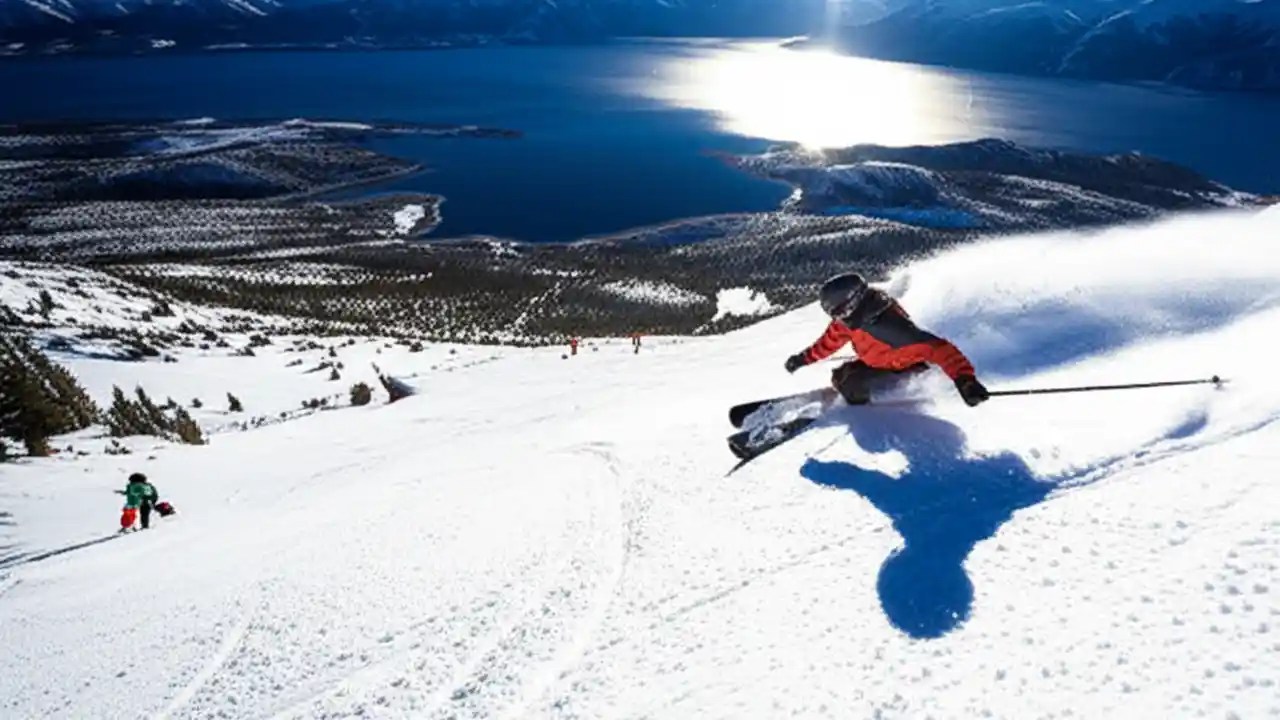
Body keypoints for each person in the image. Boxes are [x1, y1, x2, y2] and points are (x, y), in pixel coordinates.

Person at [784, 272, 990, 407]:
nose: (837, 318)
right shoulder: (849, 322)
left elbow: (938, 349)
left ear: (853, 302)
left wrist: (965, 380)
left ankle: (876, 412)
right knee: (843, 378)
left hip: (905, 367)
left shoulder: (889, 326)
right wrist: (803, 358)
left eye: (839, 311)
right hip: (876, 363)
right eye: (833, 313)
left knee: (851, 386)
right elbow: (829, 342)